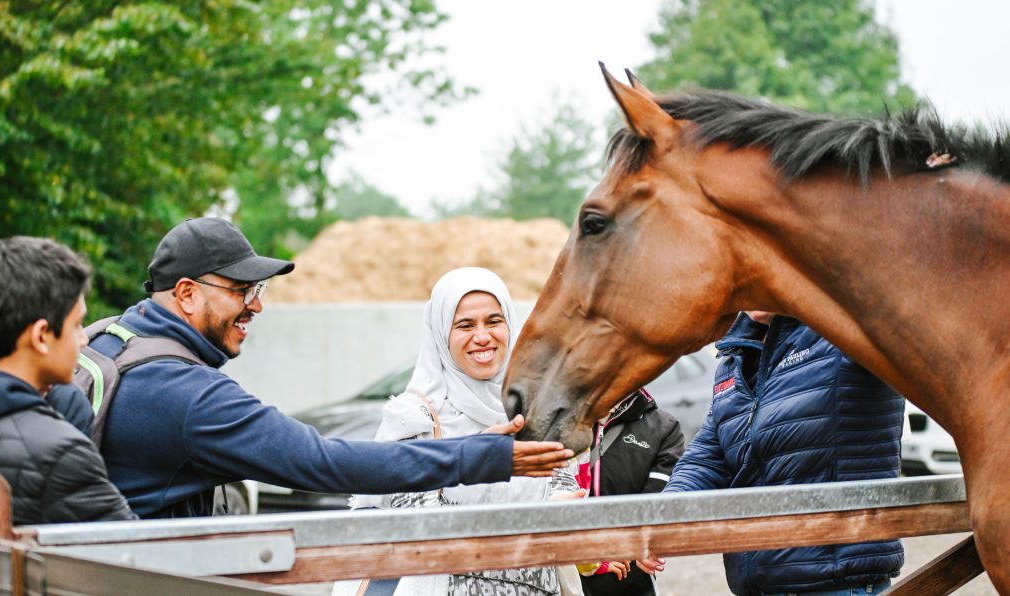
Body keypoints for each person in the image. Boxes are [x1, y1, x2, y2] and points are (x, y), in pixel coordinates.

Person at [90, 217, 573, 518]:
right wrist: (483, 457)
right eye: (241, 290)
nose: (256, 306)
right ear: (187, 293)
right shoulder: (182, 393)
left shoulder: (109, 341)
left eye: (257, 291)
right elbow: (324, 462)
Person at [336, 267, 582, 596]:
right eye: (465, 325)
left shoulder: (535, 411)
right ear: (441, 333)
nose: (482, 337)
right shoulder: (414, 419)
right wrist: (477, 460)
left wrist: (569, 512)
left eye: (493, 321)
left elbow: (562, 494)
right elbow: (409, 526)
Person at [663, 312, 905, 595]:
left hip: (837, 583)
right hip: (763, 586)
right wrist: (658, 524)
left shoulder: (840, 331)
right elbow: (705, 461)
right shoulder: (734, 359)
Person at [0, 237, 136, 524]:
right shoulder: (61, 454)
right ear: (40, 336)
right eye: (76, 325)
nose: (84, 339)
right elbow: (129, 547)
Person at [573, 388, 684, 596]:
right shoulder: (567, 420)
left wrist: (643, 544)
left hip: (629, 575)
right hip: (569, 572)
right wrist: (588, 556)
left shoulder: (664, 427)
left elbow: (656, 504)